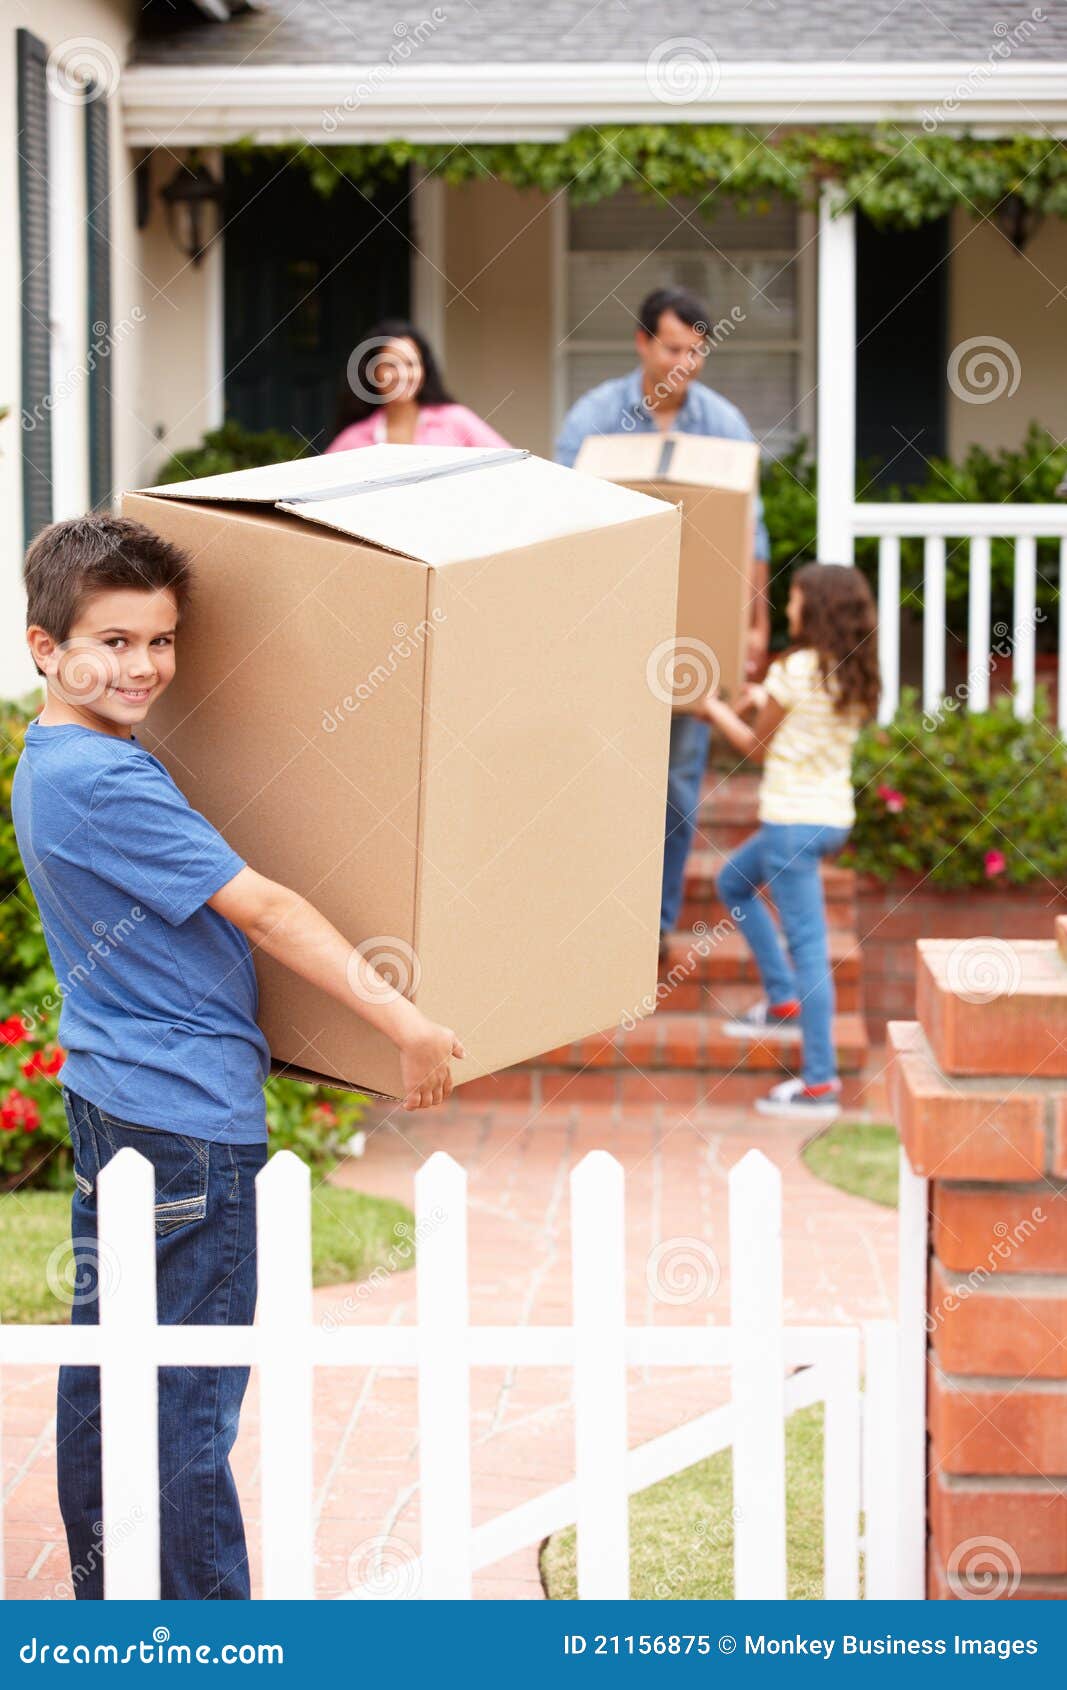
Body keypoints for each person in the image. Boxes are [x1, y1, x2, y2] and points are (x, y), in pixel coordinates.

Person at [11, 514, 466, 1599]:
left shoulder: (56, 759)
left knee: (116, 1374)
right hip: (185, 1124)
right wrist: (402, 1019)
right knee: (187, 1401)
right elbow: (260, 907)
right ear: (45, 649)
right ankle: (208, 1638)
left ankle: (112, 1610)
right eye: (113, 642)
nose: (145, 666)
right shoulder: (108, 783)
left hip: (118, 1104)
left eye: (162, 641)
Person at [554, 286, 771, 947]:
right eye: (673, 348)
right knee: (606, 771)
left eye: (697, 351)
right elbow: (559, 518)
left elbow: (749, 535)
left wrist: (755, 627)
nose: (685, 362)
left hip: (693, 635)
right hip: (610, 628)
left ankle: (652, 925)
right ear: (642, 342)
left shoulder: (723, 424)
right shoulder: (592, 418)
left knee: (678, 782)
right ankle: (599, 913)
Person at [699, 563, 879, 1121]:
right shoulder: (854, 671)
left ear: (815, 607)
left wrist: (711, 706)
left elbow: (756, 747)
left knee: (810, 953)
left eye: (795, 600)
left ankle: (819, 1084)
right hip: (829, 820)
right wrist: (759, 695)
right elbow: (799, 724)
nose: (788, 609)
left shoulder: (797, 669)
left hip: (790, 826)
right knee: (732, 881)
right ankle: (781, 999)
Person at [326, 318, 510, 451]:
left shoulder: (455, 420)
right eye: (391, 364)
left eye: (411, 363)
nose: (403, 374)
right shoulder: (353, 439)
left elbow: (510, 466)